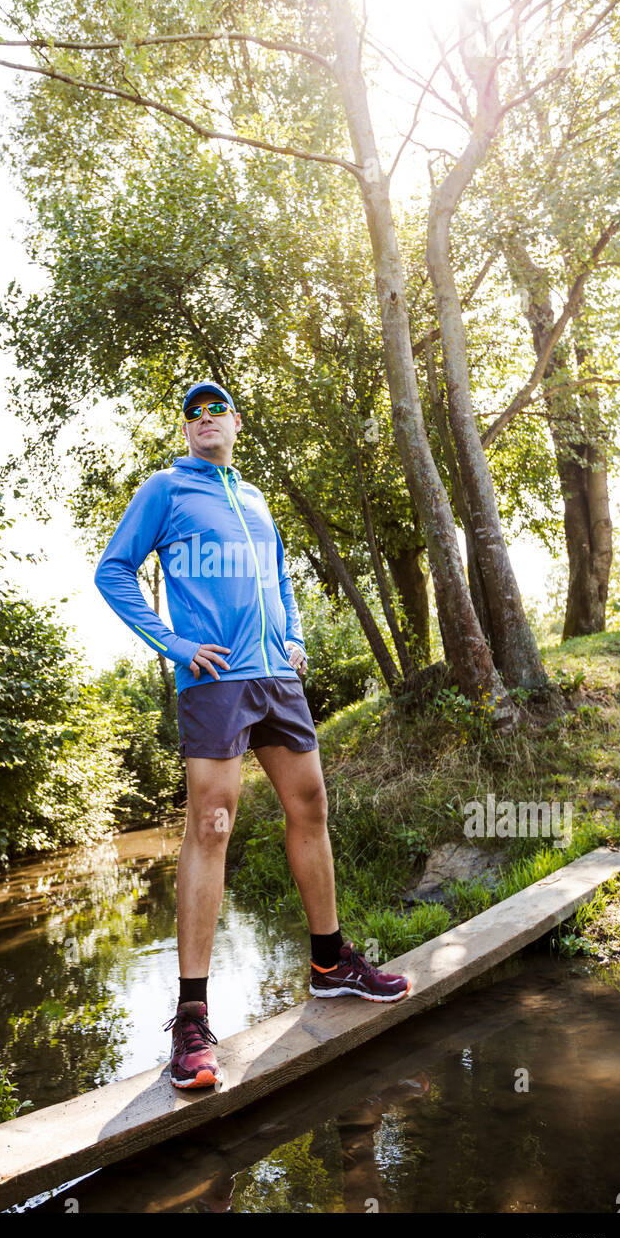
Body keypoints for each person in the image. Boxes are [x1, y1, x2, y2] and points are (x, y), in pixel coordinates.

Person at [94, 381, 411, 1090]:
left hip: (278, 677)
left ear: (236, 423)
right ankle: (192, 1018)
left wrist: (295, 637)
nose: (206, 420)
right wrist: (171, 643)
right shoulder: (166, 491)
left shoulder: (257, 498)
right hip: (213, 678)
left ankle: (330, 965)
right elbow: (112, 570)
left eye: (218, 410)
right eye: (193, 414)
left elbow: (278, 578)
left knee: (312, 809)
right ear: (186, 432)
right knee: (212, 825)